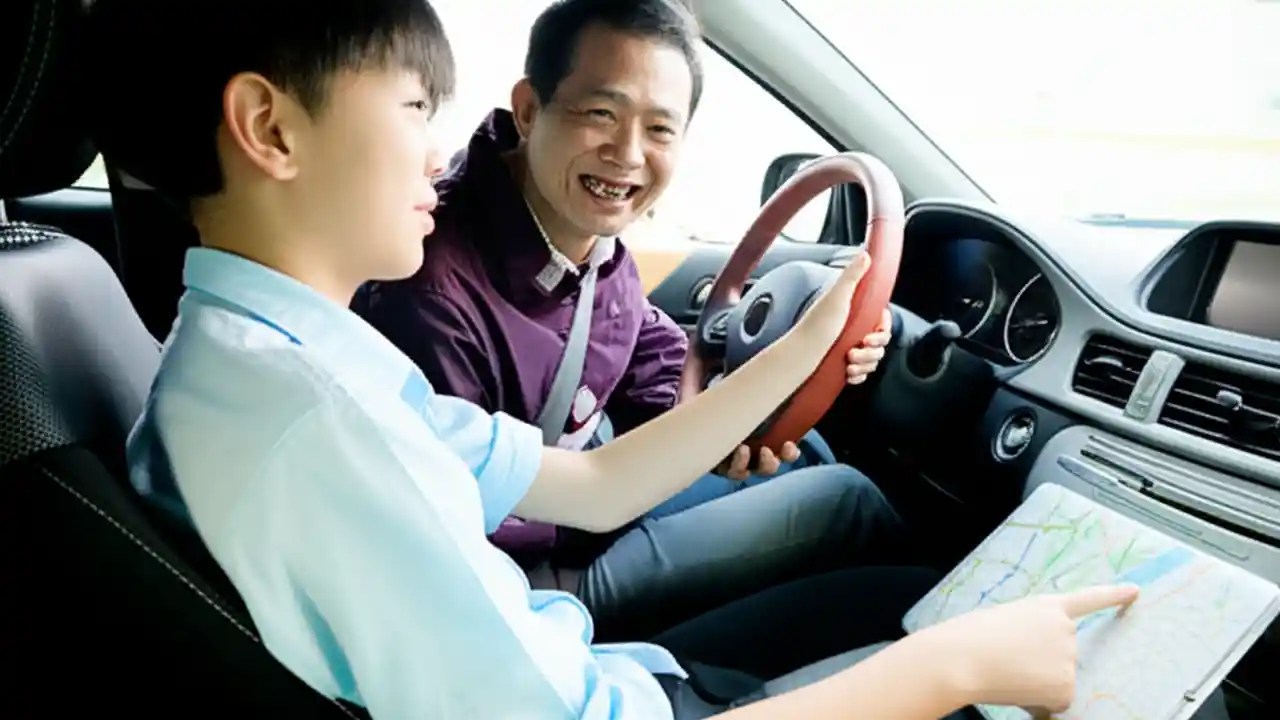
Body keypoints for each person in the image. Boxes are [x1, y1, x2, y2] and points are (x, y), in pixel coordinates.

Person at [86, 0, 1141, 718]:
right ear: (270, 126)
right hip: (611, 690)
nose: (440, 150)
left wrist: (809, 344)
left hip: (593, 667)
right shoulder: (318, 425)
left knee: (903, 592)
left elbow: (593, 485)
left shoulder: (277, 363)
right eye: (414, 107)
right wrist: (952, 668)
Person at [352, 0, 904, 639]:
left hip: (594, 493)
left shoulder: (588, 238)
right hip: (531, 572)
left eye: (661, 130)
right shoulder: (430, 291)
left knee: (806, 455)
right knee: (848, 502)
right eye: (601, 114)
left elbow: (655, 363)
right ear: (530, 110)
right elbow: (455, 526)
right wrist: (782, 368)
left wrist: (770, 392)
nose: (628, 154)